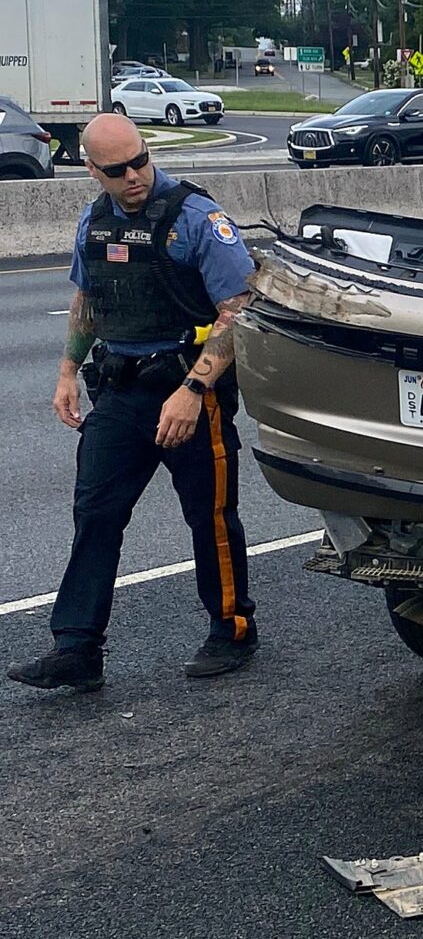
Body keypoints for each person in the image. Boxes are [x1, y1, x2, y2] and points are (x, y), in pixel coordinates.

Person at [6, 114, 259, 692]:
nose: (134, 176)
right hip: (120, 392)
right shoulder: (94, 221)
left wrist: (194, 391)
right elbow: (87, 297)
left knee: (210, 515)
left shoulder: (195, 217)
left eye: (140, 160)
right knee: (95, 515)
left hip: (189, 391)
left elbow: (239, 311)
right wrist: (68, 371)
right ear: (92, 170)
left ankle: (232, 627)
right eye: (117, 170)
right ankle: (76, 647)